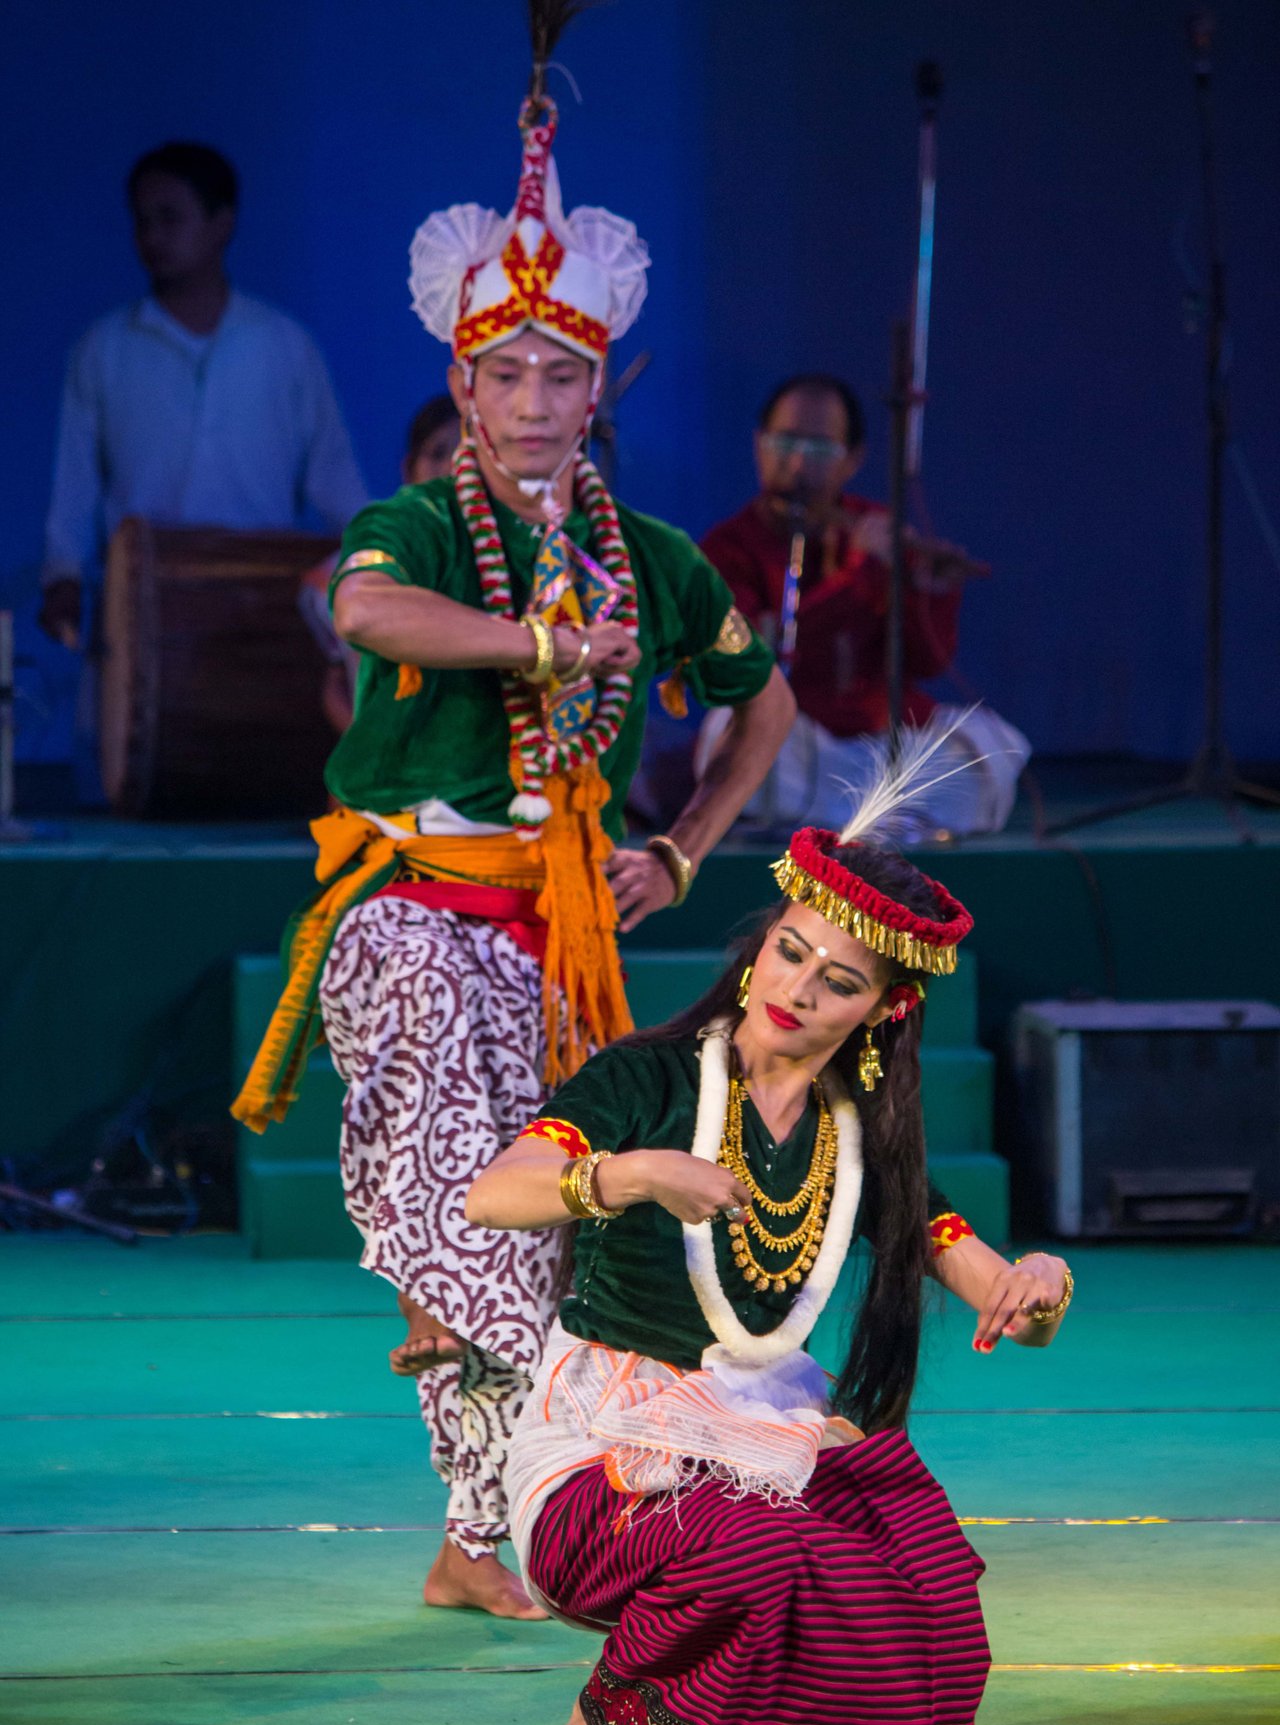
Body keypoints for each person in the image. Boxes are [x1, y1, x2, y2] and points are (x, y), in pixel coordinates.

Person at [232, 28, 794, 1623]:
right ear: (459, 387)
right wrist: (542, 646)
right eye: (504, 375)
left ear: (598, 387)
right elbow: (368, 612)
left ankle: (485, 1538)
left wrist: (684, 847)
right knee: (461, 1214)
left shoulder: (656, 557)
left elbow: (762, 704)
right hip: (413, 913)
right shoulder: (416, 522)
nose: (533, 401)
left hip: (565, 942)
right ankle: (515, 1499)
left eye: (560, 374)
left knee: (551, 1226)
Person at [468, 770, 1073, 1725]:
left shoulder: (857, 1141)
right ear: (759, 950)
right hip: (604, 1463)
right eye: (788, 952)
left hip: (757, 1435)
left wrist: (1038, 1284)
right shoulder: (649, 1080)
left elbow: (993, 1288)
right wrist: (632, 1174)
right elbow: (494, 1193)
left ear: (886, 1007)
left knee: (924, 1564)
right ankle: (602, 1714)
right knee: (762, 1541)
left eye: (839, 981)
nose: (798, 988)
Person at [39, 141, 366, 650]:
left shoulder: (281, 346)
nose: (152, 237)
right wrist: (64, 575)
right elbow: (75, 485)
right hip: (142, 608)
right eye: (142, 221)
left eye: (170, 218)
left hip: (261, 608)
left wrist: (372, 557)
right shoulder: (104, 349)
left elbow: (334, 476)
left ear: (222, 223)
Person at [699, 373, 1029, 838]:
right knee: (725, 736)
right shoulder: (728, 547)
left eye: (820, 450)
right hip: (795, 741)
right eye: (784, 443)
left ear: (852, 460)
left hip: (880, 746)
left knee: (992, 745)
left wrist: (929, 594)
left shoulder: (874, 528)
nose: (798, 464)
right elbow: (758, 656)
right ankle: (882, 816)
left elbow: (928, 663)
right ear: (759, 445)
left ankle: (839, 815)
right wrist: (856, 576)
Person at [300, 395, 462, 732]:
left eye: (466, 457)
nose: (451, 469)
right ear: (409, 469)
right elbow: (337, 690)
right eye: (437, 454)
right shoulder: (363, 560)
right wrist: (371, 748)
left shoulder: (504, 561)